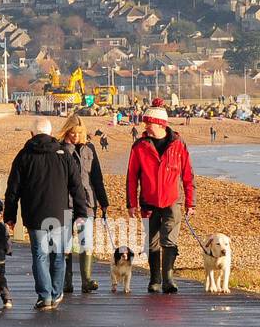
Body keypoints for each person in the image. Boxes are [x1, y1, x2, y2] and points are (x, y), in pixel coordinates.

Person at [4, 119, 86, 310]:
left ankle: (45, 296)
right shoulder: (63, 154)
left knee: (40, 256)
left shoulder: (24, 155)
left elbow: (13, 189)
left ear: (31, 134)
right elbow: (77, 186)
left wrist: (10, 216)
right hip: (61, 214)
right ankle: (56, 294)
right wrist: (81, 213)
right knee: (58, 256)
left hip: (35, 214)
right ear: (50, 134)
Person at [126, 104, 195, 294]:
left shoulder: (178, 145)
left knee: (169, 241)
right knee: (151, 242)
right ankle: (154, 279)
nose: (146, 127)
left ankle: (168, 279)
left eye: (149, 123)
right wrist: (131, 203)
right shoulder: (139, 146)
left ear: (160, 124)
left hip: (173, 200)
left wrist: (191, 201)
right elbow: (132, 177)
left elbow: (187, 174)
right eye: (146, 123)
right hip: (148, 201)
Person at [57, 114, 109, 293]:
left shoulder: (90, 149)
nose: (75, 136)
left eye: (79, 133)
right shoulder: (60, 150)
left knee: (86, 241)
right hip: (65, 202)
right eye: (72, 133)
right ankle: (66, 281)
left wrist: (104, 201)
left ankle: (86, 280)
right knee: (65, 243)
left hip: (87, 202)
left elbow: (97, 177)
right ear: (67, 132)